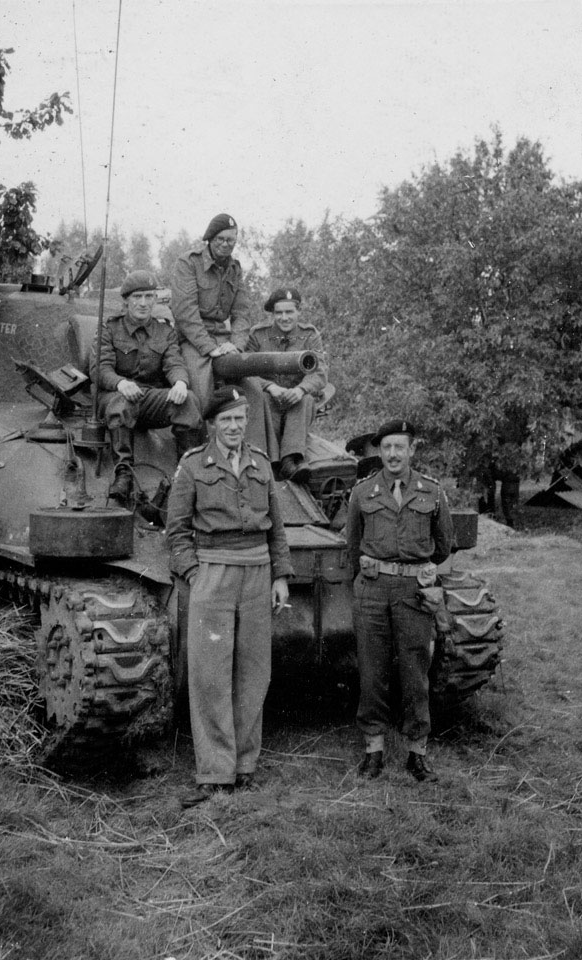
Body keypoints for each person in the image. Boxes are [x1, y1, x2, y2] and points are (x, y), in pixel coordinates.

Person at [165, 386, 293, 807]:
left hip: (257, 572)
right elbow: (178, 530)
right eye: (227, 420)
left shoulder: (260, 464)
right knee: (210, 675)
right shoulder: (191, 466)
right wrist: (194, 574)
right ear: (212, 425)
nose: (235, 426)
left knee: (255, 672)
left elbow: (276, 526)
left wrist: (281, 575)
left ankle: (244, 765)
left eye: (240, 418)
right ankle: (216, 771)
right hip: (213, 573)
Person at [345, 419, 454, 783]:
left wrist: (414, 572)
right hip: (372, 592)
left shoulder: (432, 492)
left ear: (412, 449)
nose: (393, 454)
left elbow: (442, 546)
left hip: (412, 593)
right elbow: (352, 545)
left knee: (415, 673)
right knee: (371, 672)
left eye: (400, 447)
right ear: (380, 451)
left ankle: (416, 754)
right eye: (387, 447)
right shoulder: (362, 493)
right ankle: (373, 751)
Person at [90, 270, 203, 506]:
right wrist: (121, 383)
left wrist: (180, 382)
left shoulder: (165, 331)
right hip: (114, 396)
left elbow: (174, 362)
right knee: (121, 404)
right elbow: (100, 368)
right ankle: (123, 473)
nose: (143, 303)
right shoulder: (110, 329)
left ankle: (187, 473)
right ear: (126, 300)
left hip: (148, 398)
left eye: (149, 297)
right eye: (137, 297)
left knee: (189, 401)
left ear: (155, 299)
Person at [171, 213, 274, 454]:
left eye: (231, 240)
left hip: (226, 341)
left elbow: (242, 312)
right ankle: (206, 456)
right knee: (202, 391)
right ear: (209, 239)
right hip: (194, 341)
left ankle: (256, 459)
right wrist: (210, 348)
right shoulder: (189, 263)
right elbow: (185, 312)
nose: (226, 244)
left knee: (254, 394)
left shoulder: (235, 268)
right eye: (221, 239)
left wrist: (236, 345)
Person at [247, 287, 327, 484]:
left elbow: (320, 372)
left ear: (298, 312)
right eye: (279, 313)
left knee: (307, 398)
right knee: (261, 398)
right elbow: (246, 371)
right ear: (272, 314)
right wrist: (269, 387)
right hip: (269, 398)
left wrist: (300, 390)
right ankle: (271, 462)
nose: (284, 317)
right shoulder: (258, 335)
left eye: (289, 312)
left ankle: (290, 460)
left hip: (295, 399)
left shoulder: (310, 335)